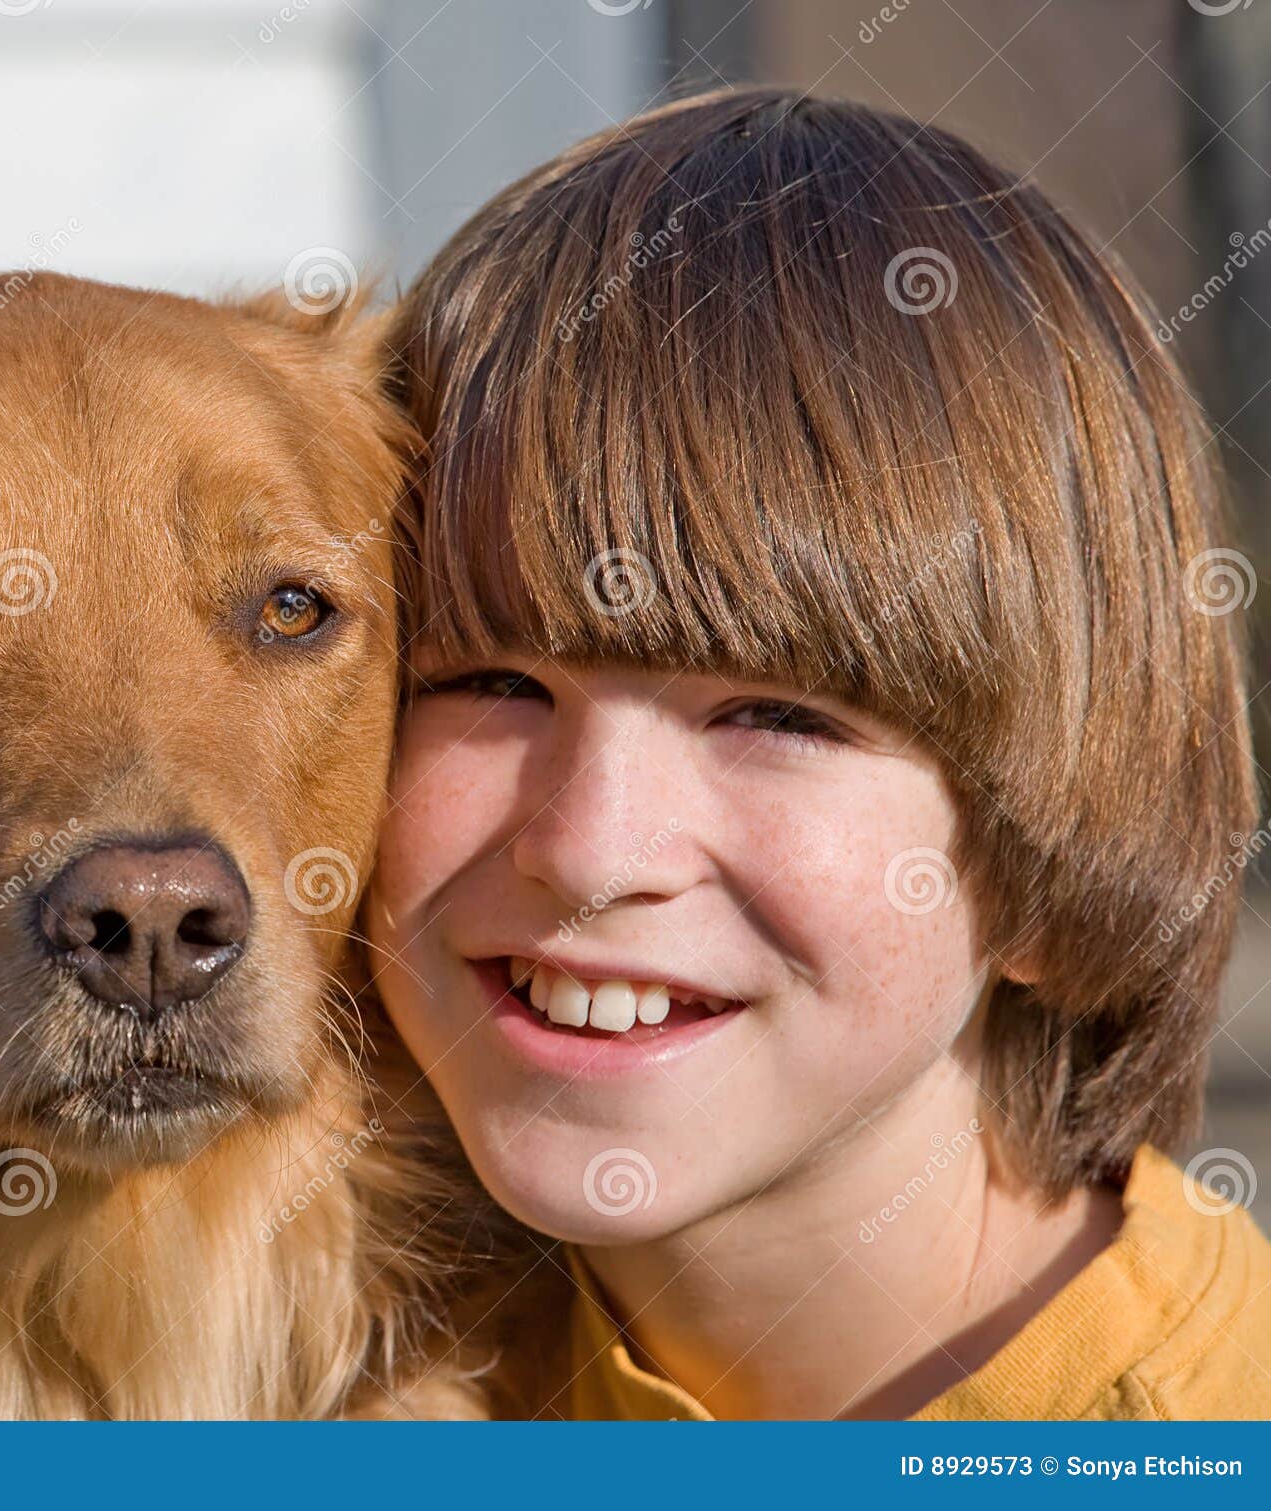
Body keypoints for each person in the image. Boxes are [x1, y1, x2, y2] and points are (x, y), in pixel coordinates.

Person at [361, 86, 1271, 1420]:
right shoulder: (285, 1381)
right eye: (492, 680)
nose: (588, 847)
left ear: (1057, 845)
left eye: (777, 717)